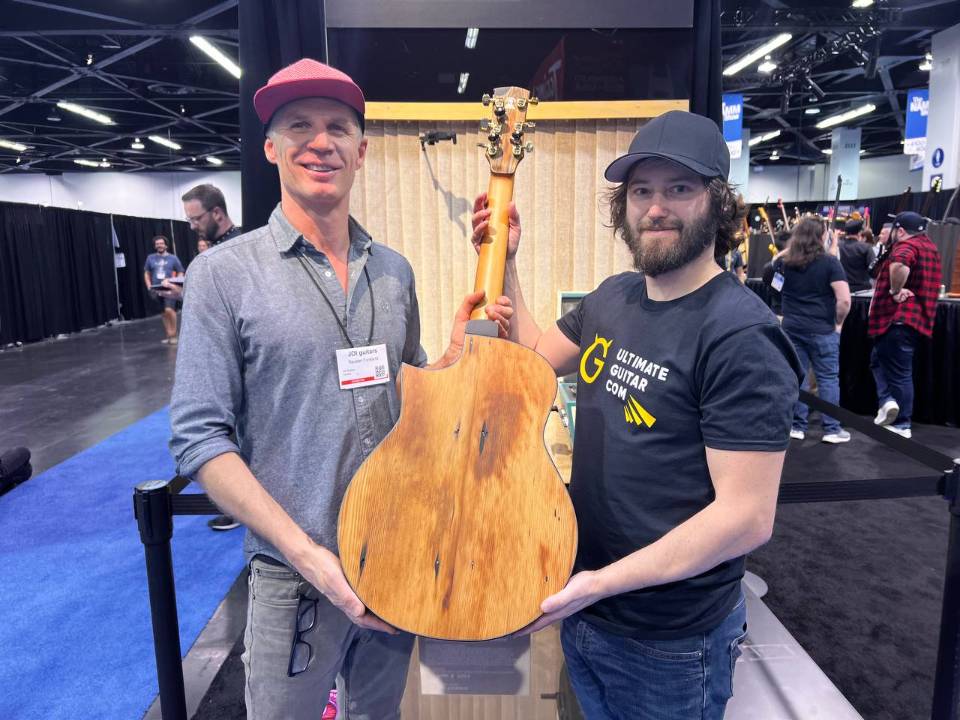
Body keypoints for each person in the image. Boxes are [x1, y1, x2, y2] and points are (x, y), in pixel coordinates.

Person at [169, 58, 511, 720]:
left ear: (362, 150)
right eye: (298, 125)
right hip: (293, 580)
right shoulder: (222, 275)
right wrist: (308, 555)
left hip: (397, 558)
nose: (319, 142)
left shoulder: (393, 271)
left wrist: (452, 352)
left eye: (337, 127)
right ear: (270, 147)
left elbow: (407, 395)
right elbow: (199, 438)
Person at [472, 110, 800, 720]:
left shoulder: (739, 334)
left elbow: (747, 518)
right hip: (586, 607)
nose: (657, 207)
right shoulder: (613, 297)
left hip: (669, 639)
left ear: (718, 204)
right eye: (643, 190)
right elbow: (537, 360)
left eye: (680, 188)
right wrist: (508, 262)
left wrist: (599, 583)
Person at [180, 185, 242, 531]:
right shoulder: (216, 255)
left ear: (216, 213)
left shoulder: (235, 252)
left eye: (196, 219)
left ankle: (237, 508)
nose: (192, 226)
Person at [775, 217, 852, 443]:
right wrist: (838, 324)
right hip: (822, 329)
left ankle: (797, 426)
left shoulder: (784, 263)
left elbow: (773, 281)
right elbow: (844, 300)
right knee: (828, 378)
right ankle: (831, 429)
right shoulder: (830, 263)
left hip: (792, 327)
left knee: (798, 378)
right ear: (821, 236)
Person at [867, 211, 942, 439]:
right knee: (879, 360)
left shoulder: (906, 246)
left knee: (899, 372)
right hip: (915, 320)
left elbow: (900, 263)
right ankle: (889, 404)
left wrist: (895, 290)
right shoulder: (930, 247)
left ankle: (901, 422)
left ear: (900, 231)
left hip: (897, 318)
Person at [143, 235, 184, 344]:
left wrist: (175, 282)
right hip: (156, 289)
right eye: (157, 244)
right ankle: (169, 335)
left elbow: (180, 271)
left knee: (169, 310)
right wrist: (149, 286)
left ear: (166, 245)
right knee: (163, 313)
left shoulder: (173, 258)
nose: (159, 245)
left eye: (161, 243)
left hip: (169, 289)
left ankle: (174, 334)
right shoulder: (150, 258)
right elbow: (147, 273)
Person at [838, 218, 874, 292]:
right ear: (859, 232)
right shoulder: (866, 247)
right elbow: (873, 269)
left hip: (842, 289)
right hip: (862, 291)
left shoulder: (837, 246)